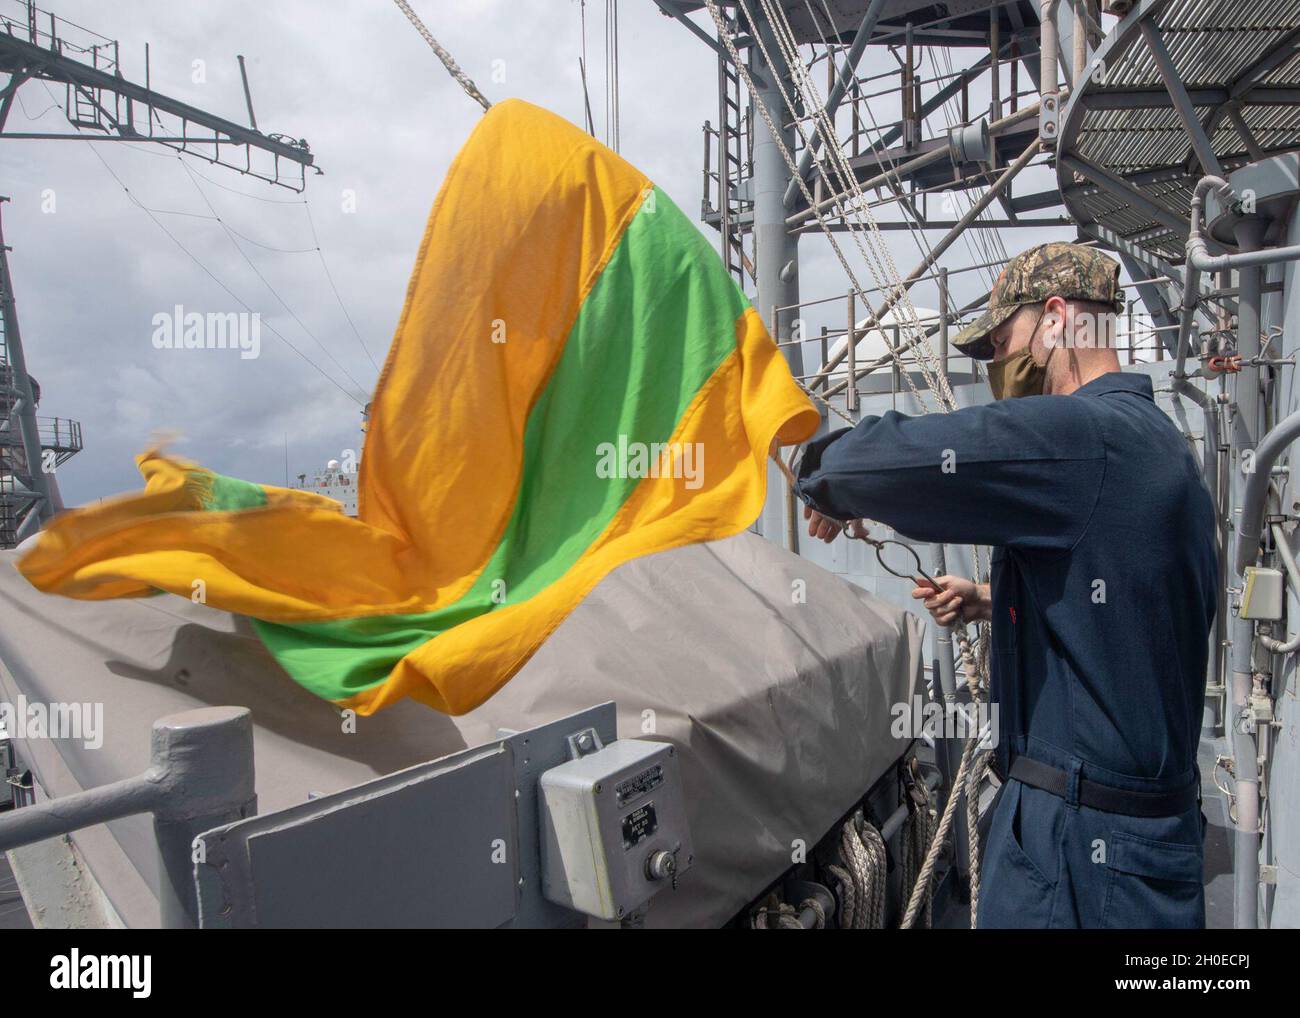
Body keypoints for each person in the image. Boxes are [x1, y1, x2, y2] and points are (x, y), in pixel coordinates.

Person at [794, 242, 1217, 928]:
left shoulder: (1086, 434)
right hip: (1147, 845)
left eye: (1000, 342)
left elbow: (899, 463)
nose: (995, 367)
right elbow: (1132, 599)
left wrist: (821, 467)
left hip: (1080, 856)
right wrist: (993, 600)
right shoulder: (1159, 440)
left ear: (1056, 321)